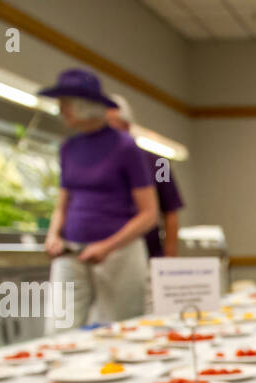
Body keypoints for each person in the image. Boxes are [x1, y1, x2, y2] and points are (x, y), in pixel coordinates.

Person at [39, 69, 157, 326]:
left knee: (120, 327)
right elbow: (63, 204)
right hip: (72, 252)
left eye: (66, 104)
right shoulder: (68, 148)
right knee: (60, 327)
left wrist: (108, 245)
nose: (61, 111)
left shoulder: (125, 147)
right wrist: (53, 235)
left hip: (118, 254)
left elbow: (149, 213)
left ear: (85, 105)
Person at [107, 93, 184, 259]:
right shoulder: (98, 165)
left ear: (126, 126)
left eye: (110, 126)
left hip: (147, 251)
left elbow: (170, 211)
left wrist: (170, 254)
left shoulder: (159, 164)